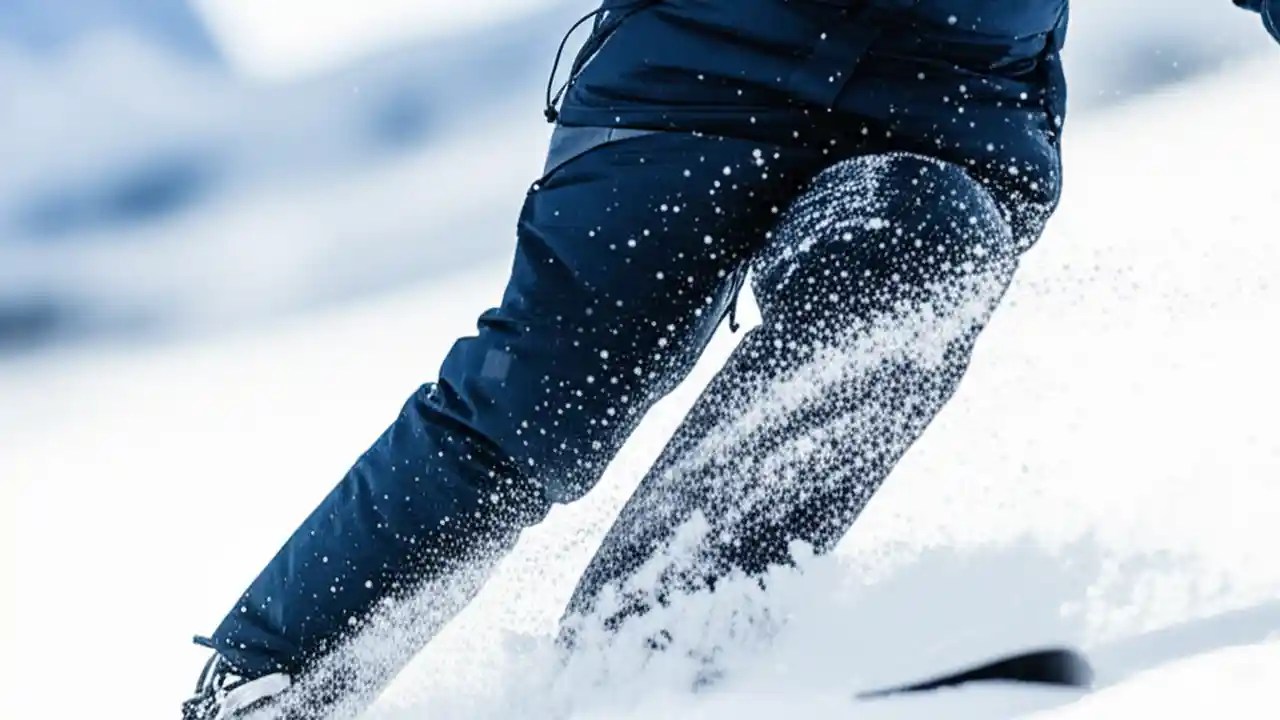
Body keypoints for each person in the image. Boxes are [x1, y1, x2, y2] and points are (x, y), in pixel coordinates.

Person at [182, 2, 1278, 718]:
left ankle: (643, 664)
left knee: (913, 259)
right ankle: (272, 691)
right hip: (689, 81)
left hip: (946, 112)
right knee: (542, 397)